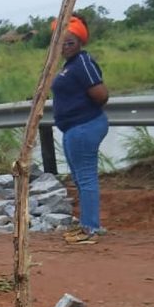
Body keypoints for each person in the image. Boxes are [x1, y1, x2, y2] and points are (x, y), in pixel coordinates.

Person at [50, 14, 110, 243]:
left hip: (84, 125)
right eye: (61, 42)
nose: (65, 47)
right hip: (74, 128)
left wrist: (79, 110)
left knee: (85, 178)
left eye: (70, 42)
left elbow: (101, 94)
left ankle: (90, 228)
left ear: (80, 41)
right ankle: (88, 224)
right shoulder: (70, 65)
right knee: (80, 177)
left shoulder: (83, 62)